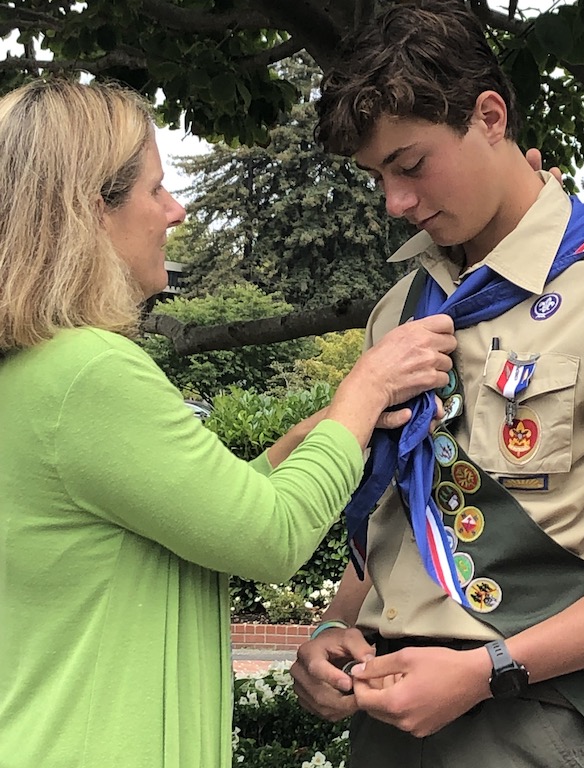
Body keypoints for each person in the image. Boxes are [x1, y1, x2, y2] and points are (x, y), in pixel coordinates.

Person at [289, 0, 584, 768]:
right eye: (377, 177)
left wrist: (483, 671)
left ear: (490, 116)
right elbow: (406, 520)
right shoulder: (403, 309)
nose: (396, 202)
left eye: (410, 164)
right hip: (391, 713)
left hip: (534, 718)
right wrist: (334, 627)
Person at [0, 79, 457, 768]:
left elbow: (185, 518)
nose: (175, 211)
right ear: (92, 208)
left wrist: (312, 439)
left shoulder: (30, 371)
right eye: (156, 190)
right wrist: (364, 392)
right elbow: (267, 535)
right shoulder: (87, 372)